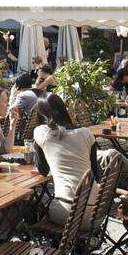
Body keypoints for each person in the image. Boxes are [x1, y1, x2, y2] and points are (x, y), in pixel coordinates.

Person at [30, 94, 98, 225]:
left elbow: (43, 170)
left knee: (33, 204)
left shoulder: (41, 132)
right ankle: (77, 242)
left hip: (69, 212)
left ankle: (54, 243)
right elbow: (96, 173)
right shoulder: (86, 133)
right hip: (95, 213)